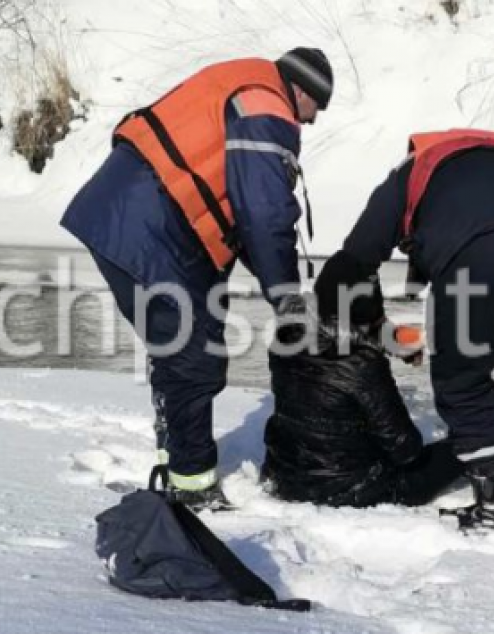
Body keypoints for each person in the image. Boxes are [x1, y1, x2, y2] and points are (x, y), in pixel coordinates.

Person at [60, 48, 335, 511]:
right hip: (150, 227)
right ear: (304, 90)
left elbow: (243, 214)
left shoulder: (244, 88)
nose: (311, 122)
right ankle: (191, 490)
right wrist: (286, 296)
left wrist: (281, 293)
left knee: (182, 350)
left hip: (136, 216)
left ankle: (177, 461)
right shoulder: (267, 105)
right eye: (316, 109)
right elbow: (265, 212)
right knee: (193, 357)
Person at [312, 129, 494, 530]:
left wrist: (371, 327)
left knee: (462, 375)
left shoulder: (412, 172)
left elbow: (352, 263)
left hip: (478, 252)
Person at [261, 285, 462, 508]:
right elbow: (405, 448)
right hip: (354, 490)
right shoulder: (362, 363)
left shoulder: (282, 350)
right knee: (465, 444)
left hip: (285, 479)